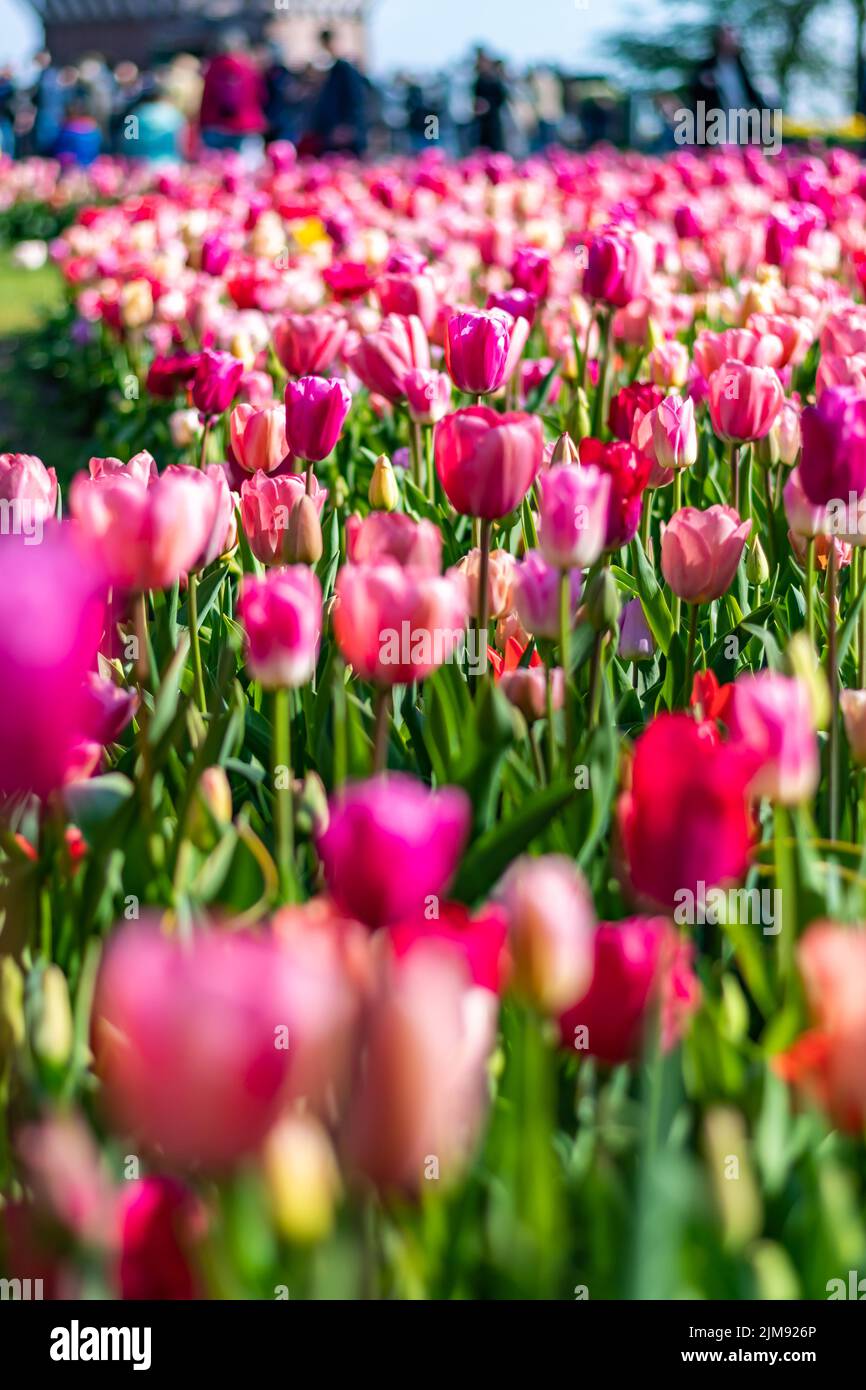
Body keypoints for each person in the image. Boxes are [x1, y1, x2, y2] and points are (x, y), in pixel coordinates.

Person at [199, 29, 266, 157]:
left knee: (216, 170)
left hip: (216, 124)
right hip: (246, 125)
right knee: (247, 171)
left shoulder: (213, 68)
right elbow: (262, 96)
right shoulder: (249, 68)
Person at [307, 28, 368, 157]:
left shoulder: (344, 69)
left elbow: (355, 99)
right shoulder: (330, 69)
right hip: (330, 132)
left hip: (344, 133)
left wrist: (347, 125)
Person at [691, 25, 766, 117]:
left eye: (735, 39)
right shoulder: (707, 67)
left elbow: (750, 91)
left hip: (742, 119)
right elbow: (696, 92)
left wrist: (766, 111)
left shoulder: (741, 65)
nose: (733, 42)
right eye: (729, 38)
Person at [473, 49, 507, 152]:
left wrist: (489, 105)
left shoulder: (494, 78)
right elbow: (476, 96)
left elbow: (501, 96)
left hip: (493, 114)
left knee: (495, 139)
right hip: (481, 117)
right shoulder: (479, 79)